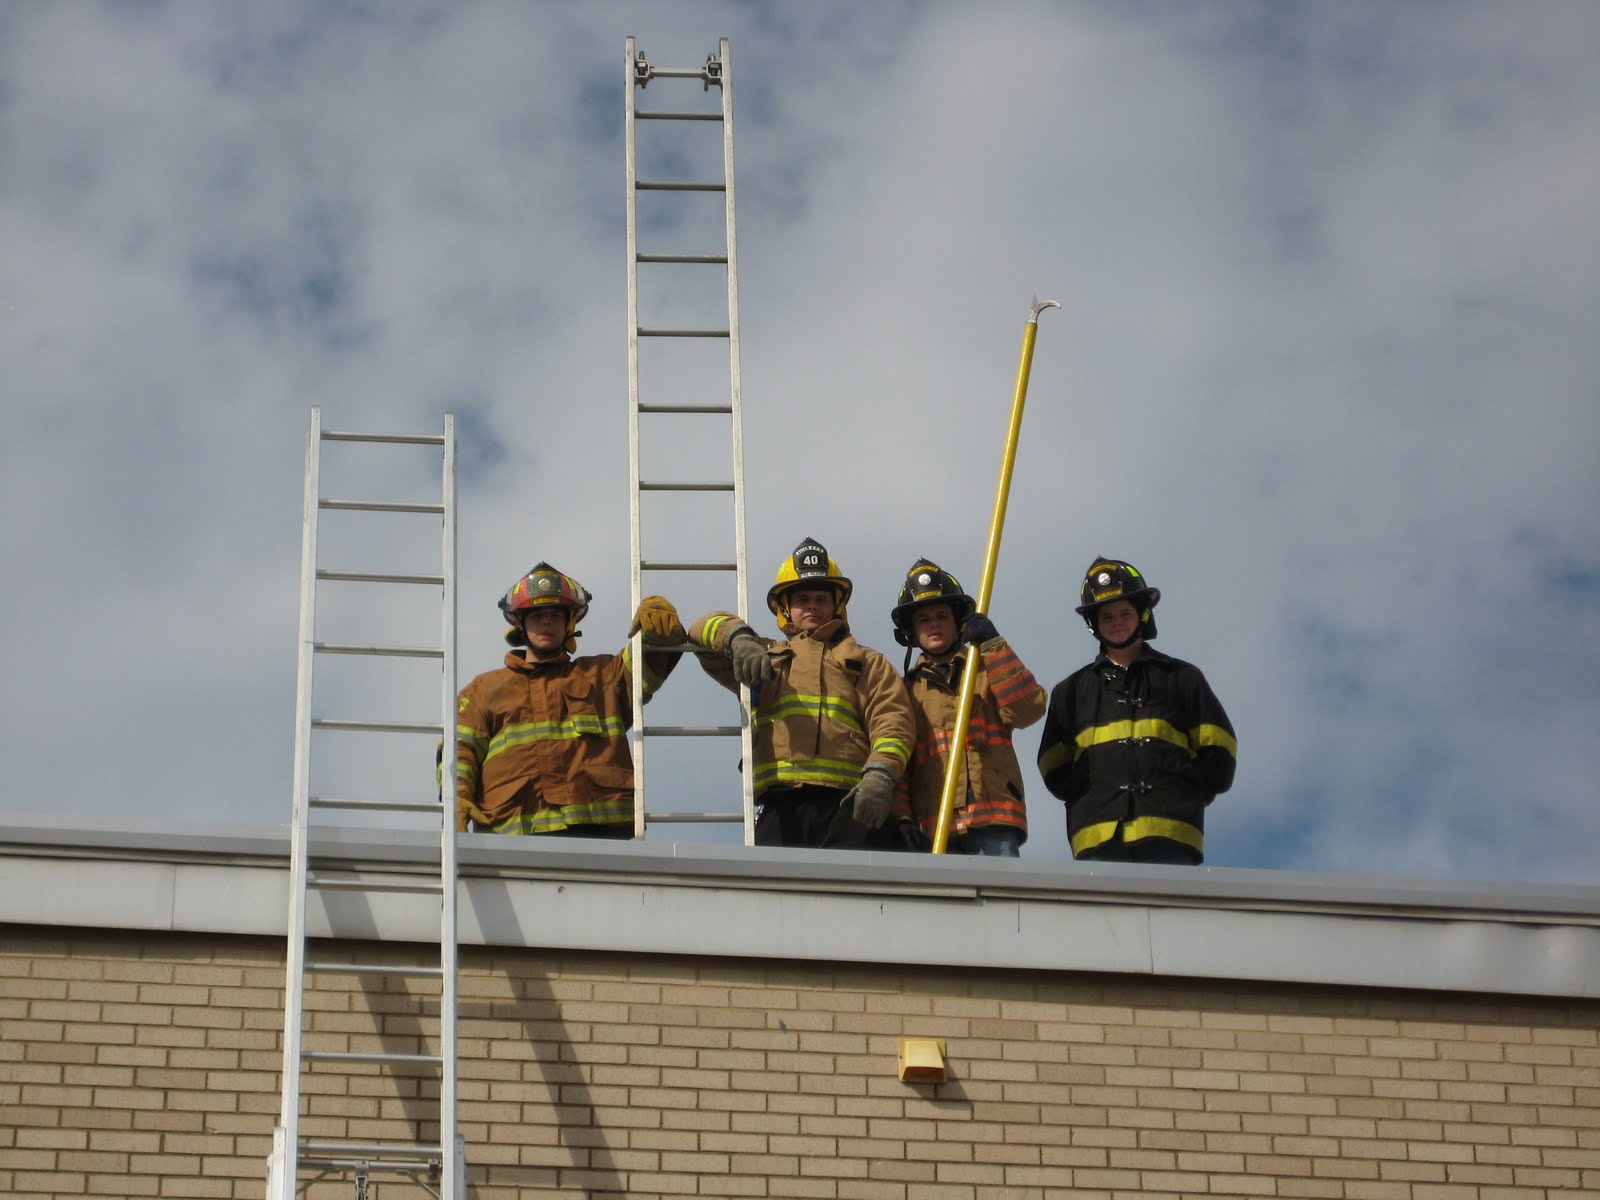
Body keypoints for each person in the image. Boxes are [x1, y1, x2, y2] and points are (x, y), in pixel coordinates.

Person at [689, 537, 914, 850]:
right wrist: (739, 639)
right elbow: (700, 630)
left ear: (836, 605)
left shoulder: (867, 662)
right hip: (782, 804)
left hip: (849, 805)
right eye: (802, 598)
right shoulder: (762, 656)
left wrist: (880, 775)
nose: (811, 605)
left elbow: (893, 722)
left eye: (821, 598)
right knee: (775, 895)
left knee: (853, 896)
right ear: (785, 608)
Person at [453, 562, 684, 836]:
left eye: (555, 614)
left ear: (569, 622)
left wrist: (659, 625)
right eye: (537, 615)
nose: (547, 621)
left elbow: (653, 661)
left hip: (601, 837)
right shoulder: (483, 691)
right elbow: (460, 750)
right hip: (516, 841)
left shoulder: (603, 676)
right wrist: (457, 796)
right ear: (521, 623)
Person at [1037, 557, 1236, 864]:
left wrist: (1184, 786)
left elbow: (1219, 752)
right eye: (1107, 616)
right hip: (1097, 837)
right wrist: (1089, 791)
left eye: (1124, 613)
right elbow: (1053, 765)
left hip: (1171, 834)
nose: (1116, 622)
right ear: (1094, 624)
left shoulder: (1182, 678)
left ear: (1141, 615)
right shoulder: (1072, 691)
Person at [885, 559, 1048, 856]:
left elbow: (1029, 710)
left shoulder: (988, 671)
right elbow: (900, 764)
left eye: (941, 616)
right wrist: (902, 818)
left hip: (994, 818)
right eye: (924, 619)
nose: (934, 624)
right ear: (911, 631)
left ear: (957, 621)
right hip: (935, 827)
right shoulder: (904, 691)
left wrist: (994, 646)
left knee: (1002, 901)